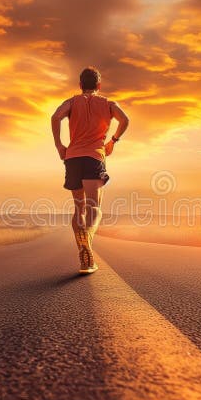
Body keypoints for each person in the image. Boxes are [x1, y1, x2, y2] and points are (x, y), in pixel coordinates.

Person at [51, 67, 129, 274]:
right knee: (95, 207)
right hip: (94, 157)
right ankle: (89, 235)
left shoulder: (71, 102)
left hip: (73, 158)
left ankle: (85, 260)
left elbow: (55, 117)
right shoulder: (108, 104)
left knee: (79, 208)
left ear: (80, 85)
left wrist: (60, 145)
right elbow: (125, 120)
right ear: (99, 86)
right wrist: (113, 141)